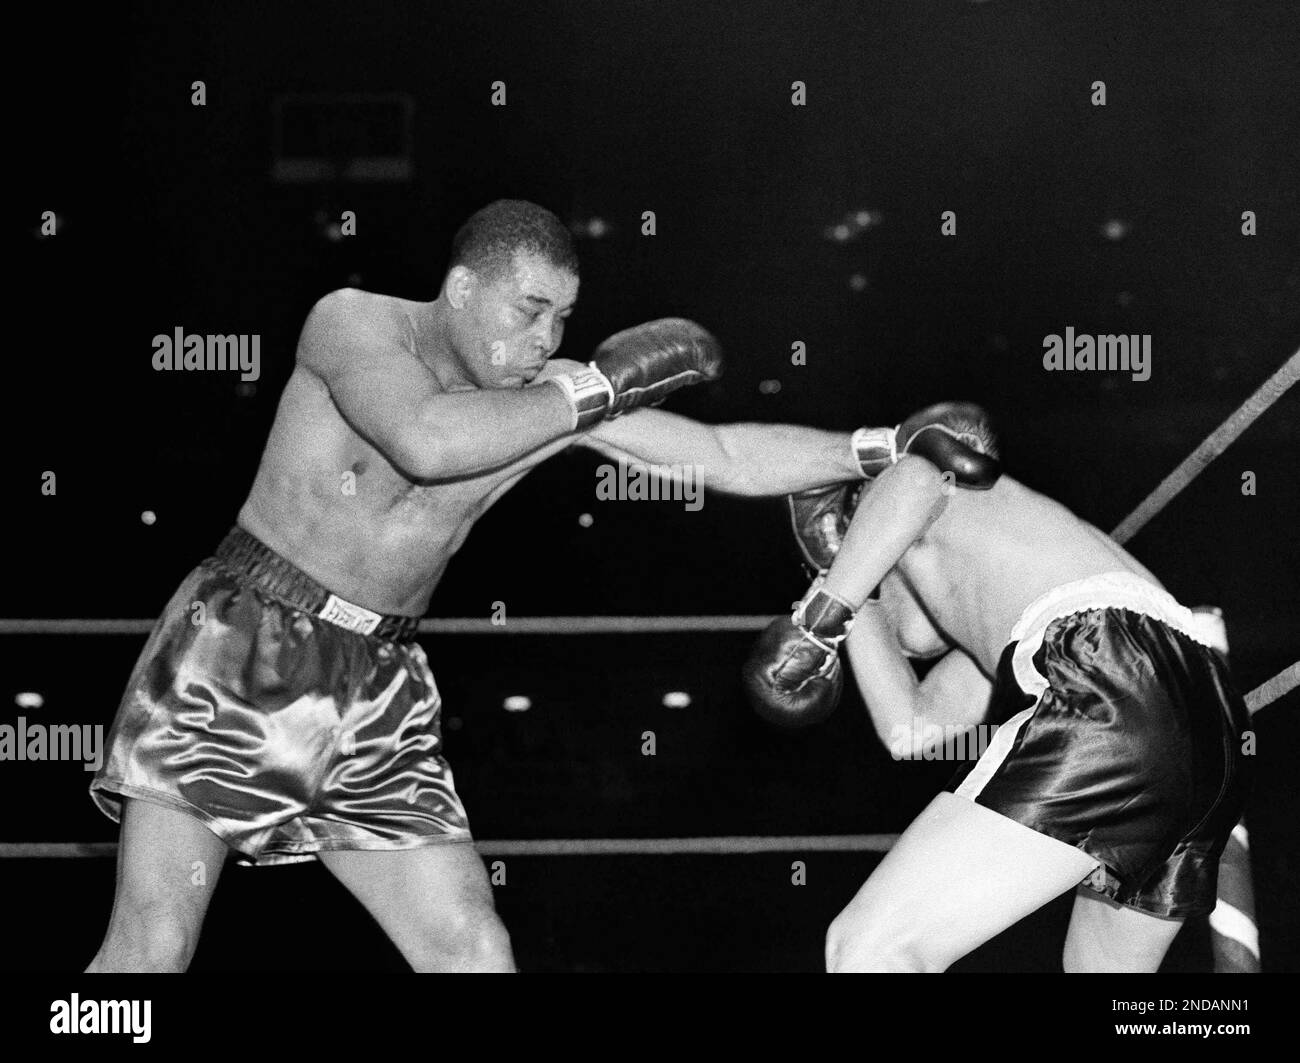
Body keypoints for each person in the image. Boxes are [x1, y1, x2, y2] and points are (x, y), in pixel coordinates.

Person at [87, 199, 976, 972]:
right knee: (155, 944)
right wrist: (593, 395)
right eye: (530, 308)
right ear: (463, 287)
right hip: (244, 641)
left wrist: (886, 446)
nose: (546, 339)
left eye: (563, 317)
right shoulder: (353, 323)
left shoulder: (550, 394)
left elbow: (723, 452)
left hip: (380, 682)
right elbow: (424, 440)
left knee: (472, 948)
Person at [744, 401, 1252, 972]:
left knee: (869, 950)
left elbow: (904, 476)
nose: (901, 632)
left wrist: (830, 603)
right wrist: (850, 598)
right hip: (1204, 726)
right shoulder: (1011, 612)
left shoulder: (918, 497)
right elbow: (910, 729)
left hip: (1110, 680)